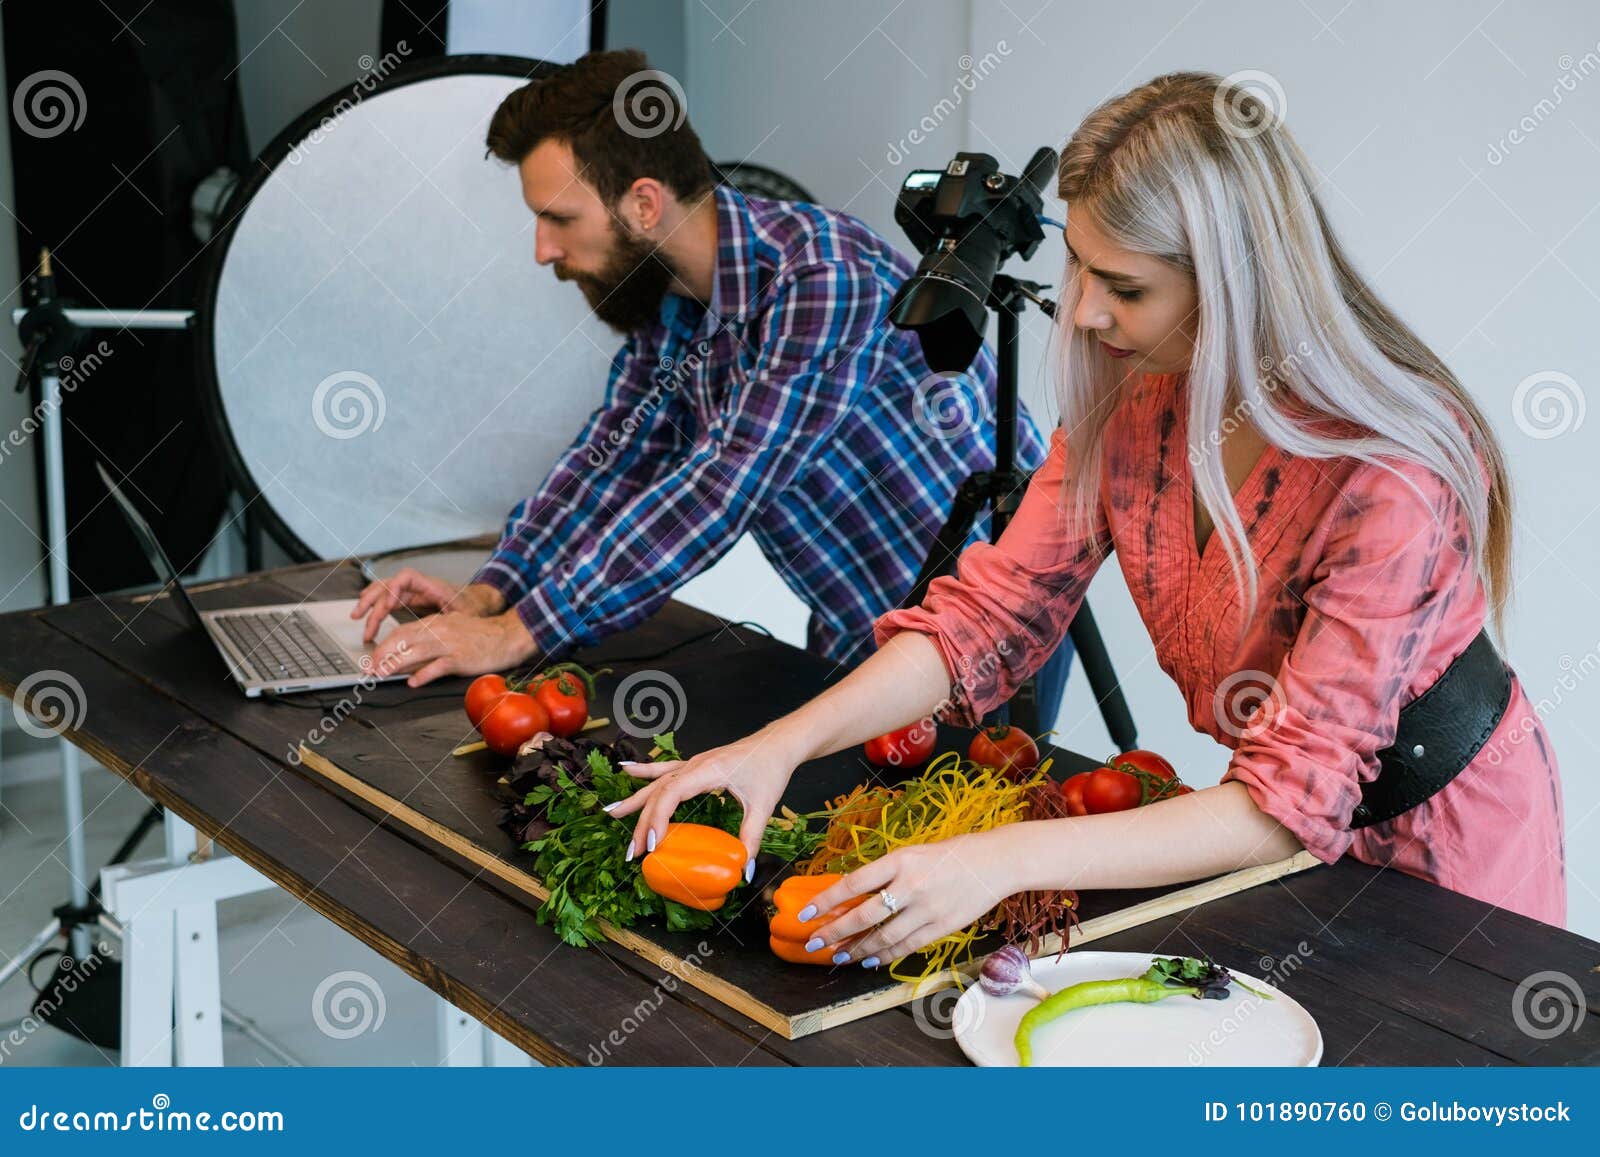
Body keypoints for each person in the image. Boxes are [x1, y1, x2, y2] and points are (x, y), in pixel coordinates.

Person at [606, 71, 1567, 970]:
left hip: (1444, 848)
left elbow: (1284, 805)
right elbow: (987, 618)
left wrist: (997, 859)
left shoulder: (1390, 473)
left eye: (1127, 288)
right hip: (1275, 833)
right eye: (1078, 264)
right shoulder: (1133, 398)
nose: (1086, 313)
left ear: (1234, 282)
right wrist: (775, 745)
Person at [352, 49, 1075, 726]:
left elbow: (723, 484)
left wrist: (518, 633)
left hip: (981, 640)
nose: (544, 250)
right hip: (855, 631)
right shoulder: (675, 309)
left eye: (559, 219)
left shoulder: (821, 277)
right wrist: (490, 592)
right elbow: (609, 461)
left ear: (644, 203)